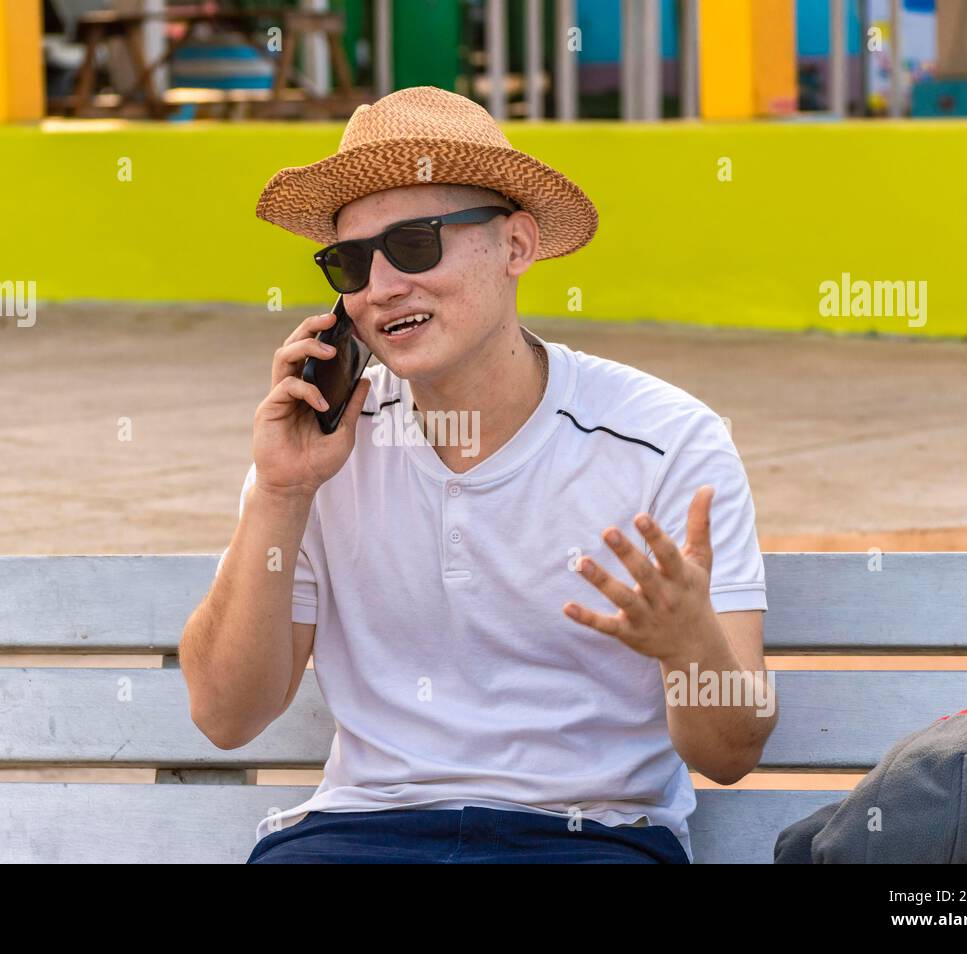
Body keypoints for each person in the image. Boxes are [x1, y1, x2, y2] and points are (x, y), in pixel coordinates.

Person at [180, 86, 777, 864]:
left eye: (417, 244)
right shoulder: (317, 452)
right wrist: (281, 494)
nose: (383, 287)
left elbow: (729, 753)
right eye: (351, 262)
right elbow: (226, 715)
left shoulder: (665, 441)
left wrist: (686, 644)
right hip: (361, 834)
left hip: (584, 838)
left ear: (517, 246)